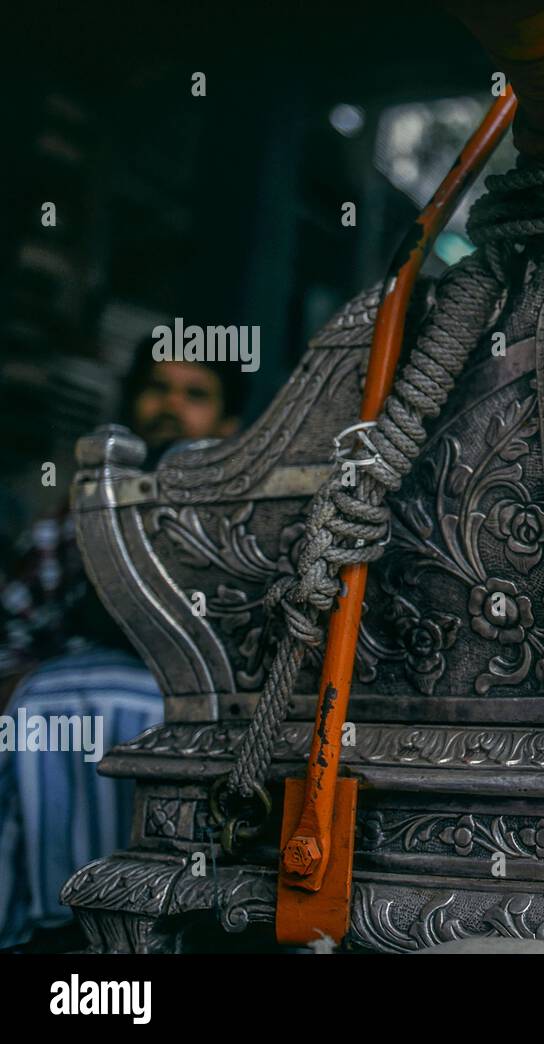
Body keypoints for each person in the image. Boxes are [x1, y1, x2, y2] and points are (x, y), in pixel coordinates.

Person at [0, 338, 245, 951]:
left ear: (231, 422)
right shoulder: (82, 512)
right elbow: (15, 624)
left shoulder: (249, 523)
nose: (171, 405)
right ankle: (57, 928)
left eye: (195, 394)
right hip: (57, 720)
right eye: (157, 387)